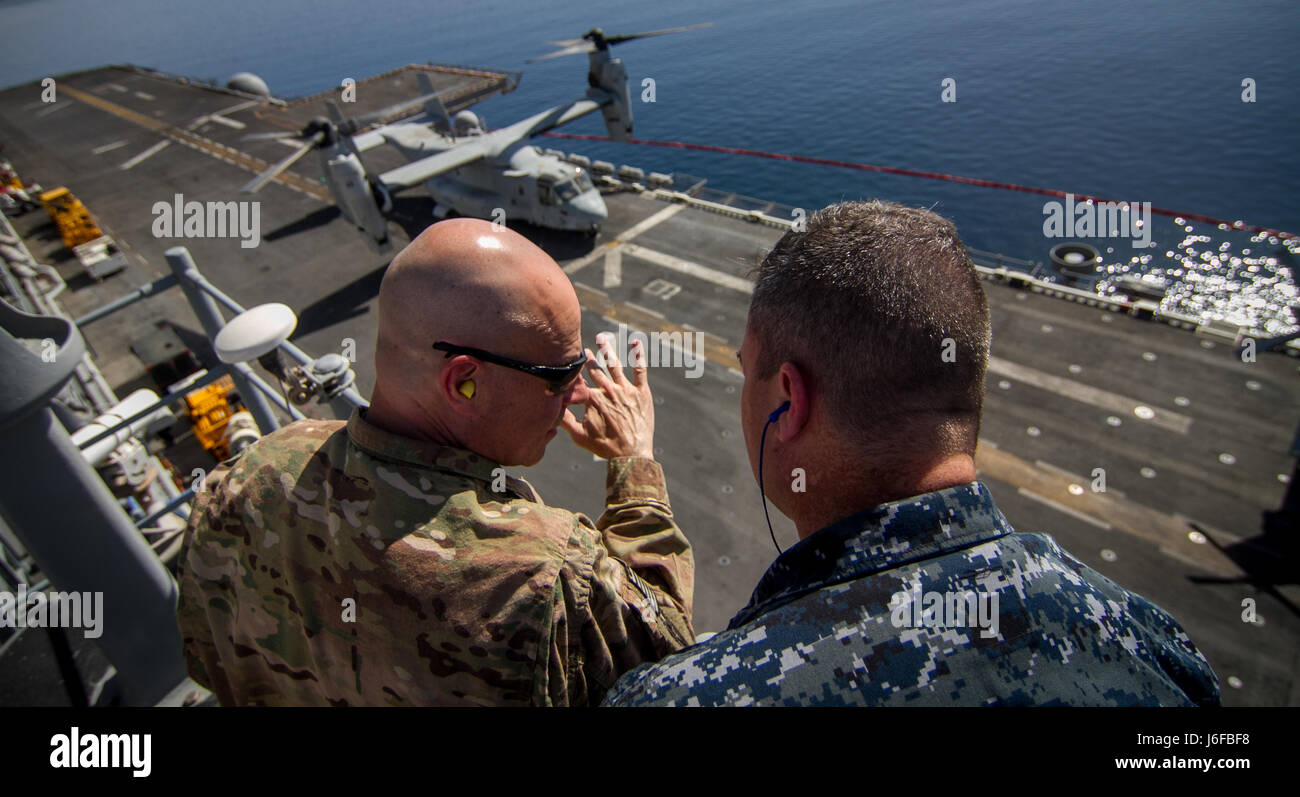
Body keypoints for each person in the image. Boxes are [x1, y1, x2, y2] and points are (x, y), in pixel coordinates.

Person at [603, 200, 1220, 707]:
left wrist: (633, 469)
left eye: (748, 371)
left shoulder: (691, 696)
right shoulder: (1152, 642)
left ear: (789, 399)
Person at [176, 218, 694, 706]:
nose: (580, 392)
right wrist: (634, 464)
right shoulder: (544, 575)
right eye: (559, 375)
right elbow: (671, 657)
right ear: (462, 382)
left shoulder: (244, 476)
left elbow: (207, 660)